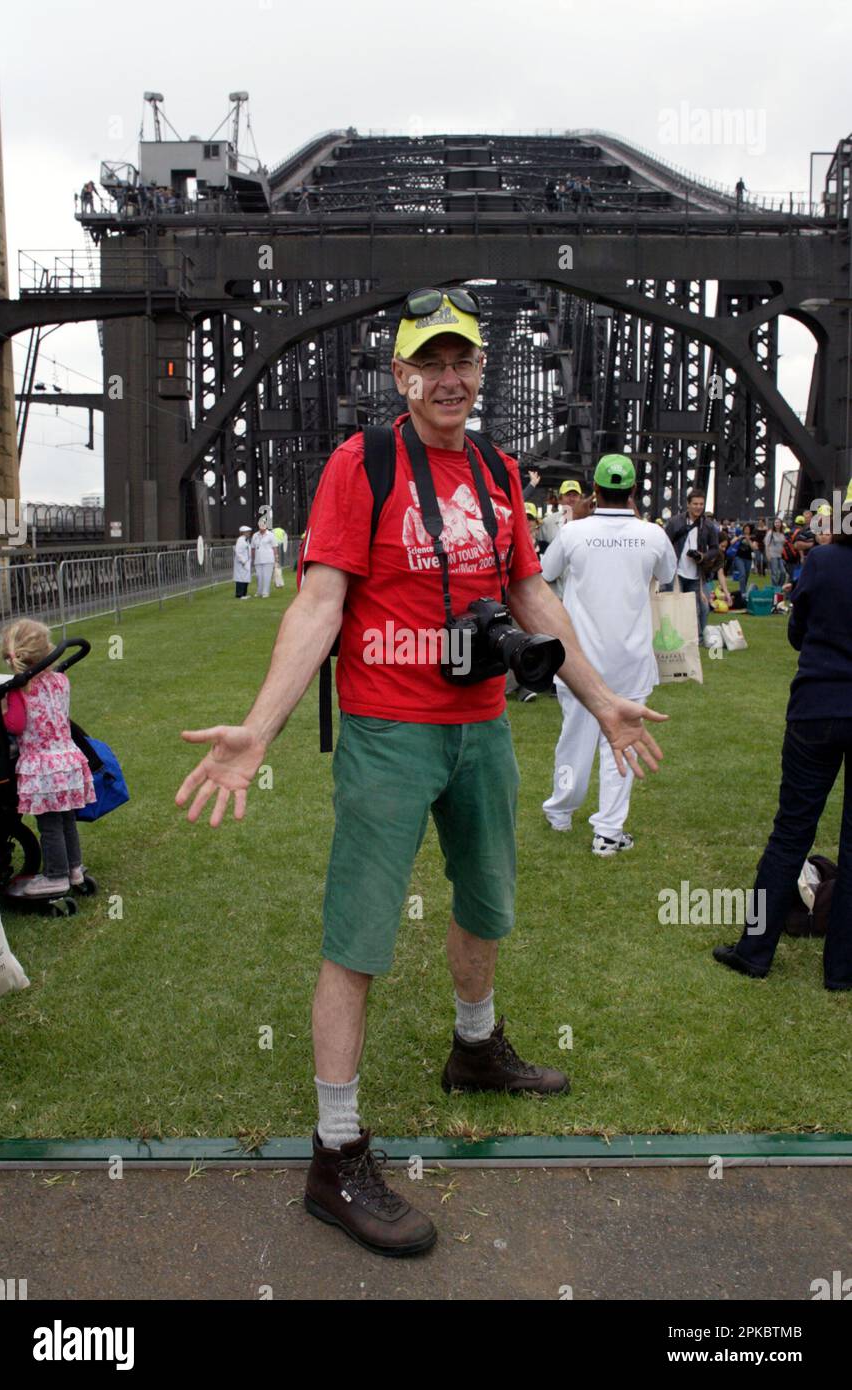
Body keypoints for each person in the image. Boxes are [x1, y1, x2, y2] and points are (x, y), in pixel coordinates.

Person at [175, 286, 668, 1258]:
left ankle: (474, 1045)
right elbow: (318, 603)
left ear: (480, 372)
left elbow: (528, 592)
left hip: (480, 724)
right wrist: (261, 727)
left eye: (463, 362)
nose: (448, 378)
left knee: (485, 900)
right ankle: (334, 1148)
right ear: (401, 375)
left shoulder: (495, 469)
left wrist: (600, 698)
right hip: (387, 729)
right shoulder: (362, 463)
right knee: (358, 933)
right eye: (428, 363)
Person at [713, 495, 852, 989]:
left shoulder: (823, 561)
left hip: (816, 706)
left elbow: (798, 629)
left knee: (791, 832)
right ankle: (841, 969)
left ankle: (755, 950)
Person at [540, 454, 677, 853]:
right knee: (625, 741)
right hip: (631, 659)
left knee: (574, 738)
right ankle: (608, 832)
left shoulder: (574, 534)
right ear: (634, 491)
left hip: (579, 657)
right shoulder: (653, 535)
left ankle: (561, 811)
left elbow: (545, 574)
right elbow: (667, 575)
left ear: (594, 490)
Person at [0, 619, 95, 897]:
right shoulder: (60, 680)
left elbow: (16, 726)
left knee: (49, 825)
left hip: (43, 768)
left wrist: (5, 708)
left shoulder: (19, 691)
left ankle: (55, 876)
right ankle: (75, 869)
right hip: (68, 761)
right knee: (66, 821)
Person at [664, 489, 719, 644]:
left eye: (701, 504)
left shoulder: (708, 526)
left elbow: (715, 548)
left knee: (702, 608)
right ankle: (674, 637)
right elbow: (664, 543)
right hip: (676, 573)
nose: (698, 507)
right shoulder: (675, 522)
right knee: (674, 607)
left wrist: (703, 556)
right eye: (695, 504)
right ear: (688, 505)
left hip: (697, 574)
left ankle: (698, 639)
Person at [251, 517, 278, 597]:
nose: (262, 526)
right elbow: (253, 548)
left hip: (268, 559)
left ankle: (265, 592)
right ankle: (259, 591)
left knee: (267, 576)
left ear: (266, 526)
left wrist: (276, 558)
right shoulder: (255, 535)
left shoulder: (271, 535)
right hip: (258, 559)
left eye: (263, 525)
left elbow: (274, 547)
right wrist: (253, 558)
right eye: (260, 525)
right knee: (259, 576)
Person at [764, 517, 788, 586]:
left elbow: (783, 544)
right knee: (774, 573)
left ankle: (779, 586)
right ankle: (774, 588)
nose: (777, 524)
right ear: (774, 524)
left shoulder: (782, 533)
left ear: (781, 524)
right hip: (772, 555)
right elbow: (766, 544)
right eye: (776, 523)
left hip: (779, 555)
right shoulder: (770, 533)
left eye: (778, 522)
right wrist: (768, 554)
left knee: (783, 572)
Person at [233, 525, 252, 598]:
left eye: (249, 532)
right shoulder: (241, 540)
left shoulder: (245, 540)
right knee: (240, 578)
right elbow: (238, 552)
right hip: (242, 563)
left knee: (245, 578)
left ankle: (244, 594)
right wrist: (243, 561)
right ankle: (239, 594)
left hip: (246, 562)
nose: (249, 533)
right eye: (247, 532)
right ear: (243, 533)